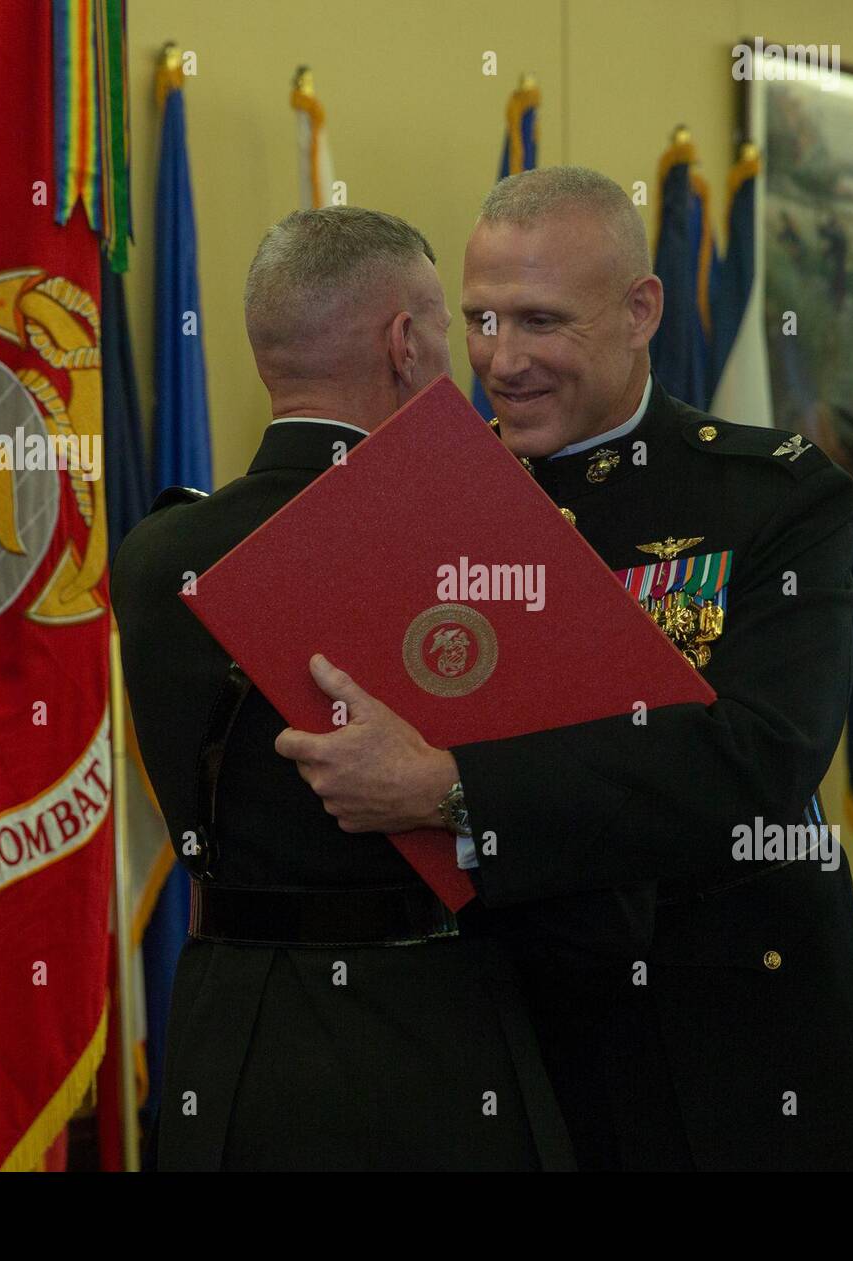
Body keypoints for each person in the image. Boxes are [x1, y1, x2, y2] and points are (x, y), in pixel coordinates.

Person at [278, 167, 853, 1171]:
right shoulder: (424, 504)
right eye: (481, 319)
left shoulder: (768, 495)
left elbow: (759, 758)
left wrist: (454, 789)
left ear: (639, 311)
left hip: (742, 1072)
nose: (501, 359)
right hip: (521, 1072)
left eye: (540, 321)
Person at [110, 207, 575, 1171]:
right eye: (449, 325)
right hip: (426, 1039)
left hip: (225, 1036)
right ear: (404, 343)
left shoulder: (156, 553)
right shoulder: (476, 545)